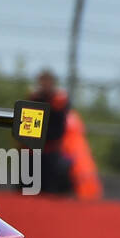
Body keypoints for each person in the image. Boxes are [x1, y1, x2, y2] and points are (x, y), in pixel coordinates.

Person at [26, 69, 101, 198]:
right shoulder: (35, 99)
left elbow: (59, 127)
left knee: (53, 180)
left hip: (53, 148)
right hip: (36, 147)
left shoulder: (59, 101)